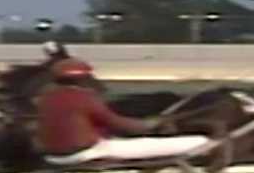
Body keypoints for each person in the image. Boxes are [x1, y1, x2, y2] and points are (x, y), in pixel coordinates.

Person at [35, 59, 210, 164]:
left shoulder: (46, 97)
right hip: (87, 152)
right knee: (198, 141)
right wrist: (148, 125)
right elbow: (118, 124)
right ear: (83, 78)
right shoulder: (84, 97)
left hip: (51, 156)